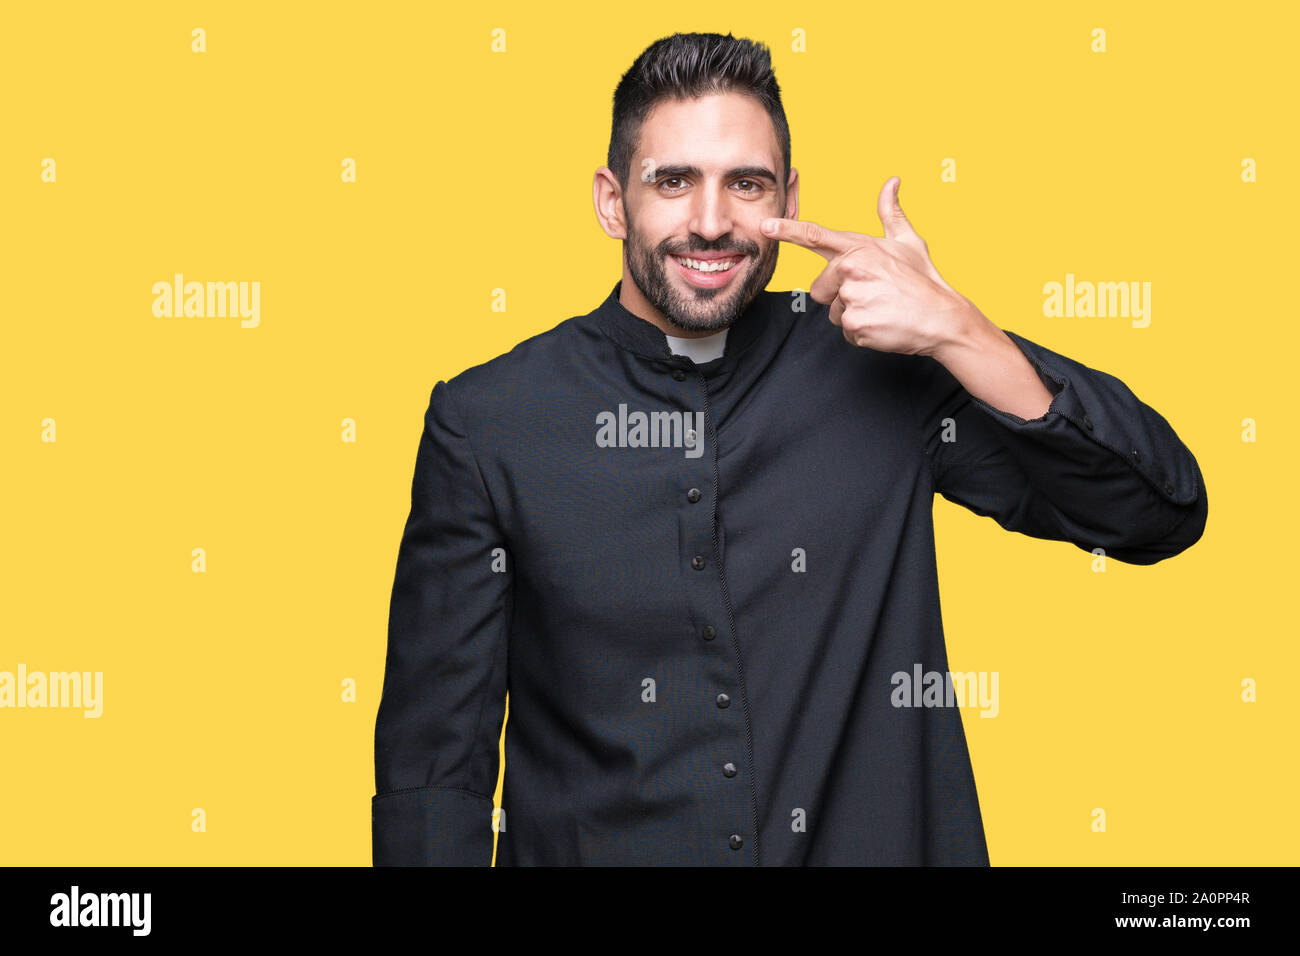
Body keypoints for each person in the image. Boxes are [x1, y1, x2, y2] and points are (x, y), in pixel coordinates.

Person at [371, 32, 1208, 866]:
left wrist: (960, 330)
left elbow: (1155, 513)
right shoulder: (486, 421)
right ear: (611, 201)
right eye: (673, 181)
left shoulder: (887, 361)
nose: (710, 222)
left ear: (791, 196)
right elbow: (433, 772)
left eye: (746, 184)